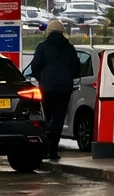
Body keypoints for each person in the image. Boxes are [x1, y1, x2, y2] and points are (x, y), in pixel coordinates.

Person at [28, 18, 83, 161]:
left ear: (49, 32)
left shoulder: (42, 47)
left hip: (46, 88)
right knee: (58, 120)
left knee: (45, 118)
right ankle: (53, 151)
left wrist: (41, 78)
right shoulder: (69, 48)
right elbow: (77, 68)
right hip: (64, 88)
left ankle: (44, 149)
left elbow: (35, 66)